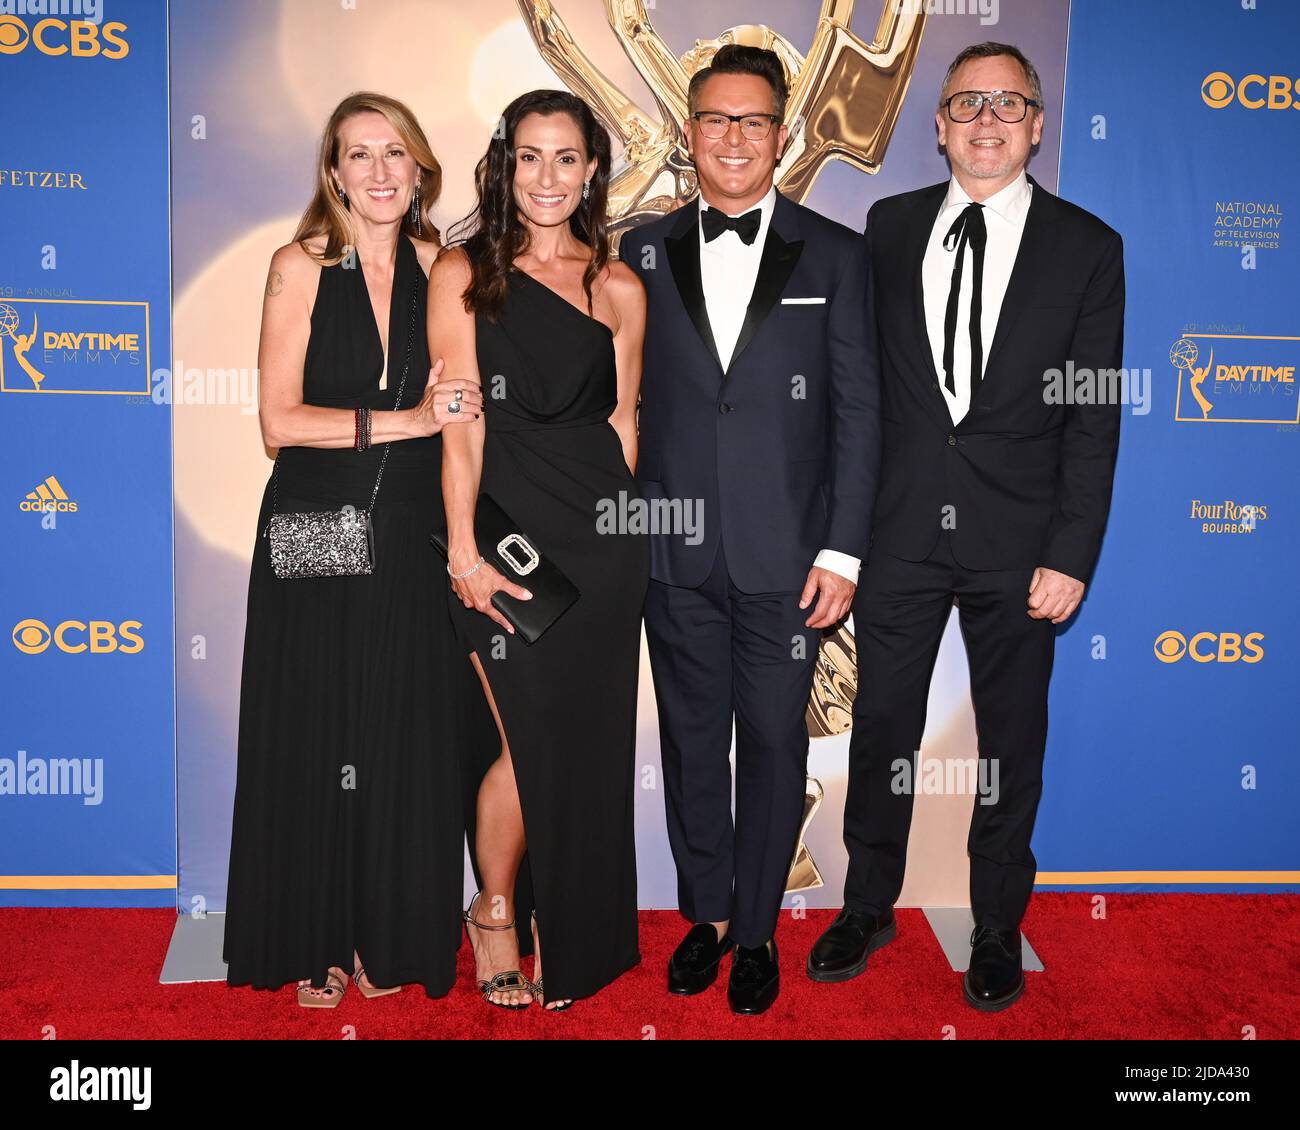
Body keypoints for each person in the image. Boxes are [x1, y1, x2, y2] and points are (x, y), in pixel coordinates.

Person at [808, 42, 1124, 1011]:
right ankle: (867, 904)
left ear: (1037, 125)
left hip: (1021, 547)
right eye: (968, 104)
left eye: (1007, 103)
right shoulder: (889, 225)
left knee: (1010, 744)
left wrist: (1070, 551)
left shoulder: (1088, 247)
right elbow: (861, 391)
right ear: (939, 126)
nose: (987, 120)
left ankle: (995, 923)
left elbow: (1092, 412)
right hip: (899, 531)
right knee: (881, 729)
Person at [620, 44, 880, 1015]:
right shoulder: (638, 253)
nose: (733, 137)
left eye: (753, 120)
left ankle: (760, 928)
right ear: (689, 133)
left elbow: (861, 414)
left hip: (792, 557)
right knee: (693, 742)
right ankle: (706, 914)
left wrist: (843, 550)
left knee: (774, 744)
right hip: (672, 551)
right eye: (715, 119)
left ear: (781, 134)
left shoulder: (838, 255)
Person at [223, 92, 484, 1006]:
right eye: (359, 154)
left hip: (410, 522)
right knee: (318, 727)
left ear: (419, 170)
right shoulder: (297, 266)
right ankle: (318, 939)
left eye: (394, 153)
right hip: (313, 517)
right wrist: (407, 419)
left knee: (401, 732)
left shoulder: (445, 269)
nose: (379, 171)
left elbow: (464, 403)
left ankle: (389, 935)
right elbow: (279, 421)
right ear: (333, 173)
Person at [432, 89, 648, 1011]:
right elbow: (461, 425)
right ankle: (494, 912)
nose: (547, 177)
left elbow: (623, 425)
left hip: (604, 548)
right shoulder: (463, 273)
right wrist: (463, 547)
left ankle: (577, 934)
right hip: (508, 543)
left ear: (592, 169)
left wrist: (627, 545)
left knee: (589, 748)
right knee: (528, 741)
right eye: (529, 157)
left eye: (566, 158)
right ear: (505, 165)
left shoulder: (619, 286)